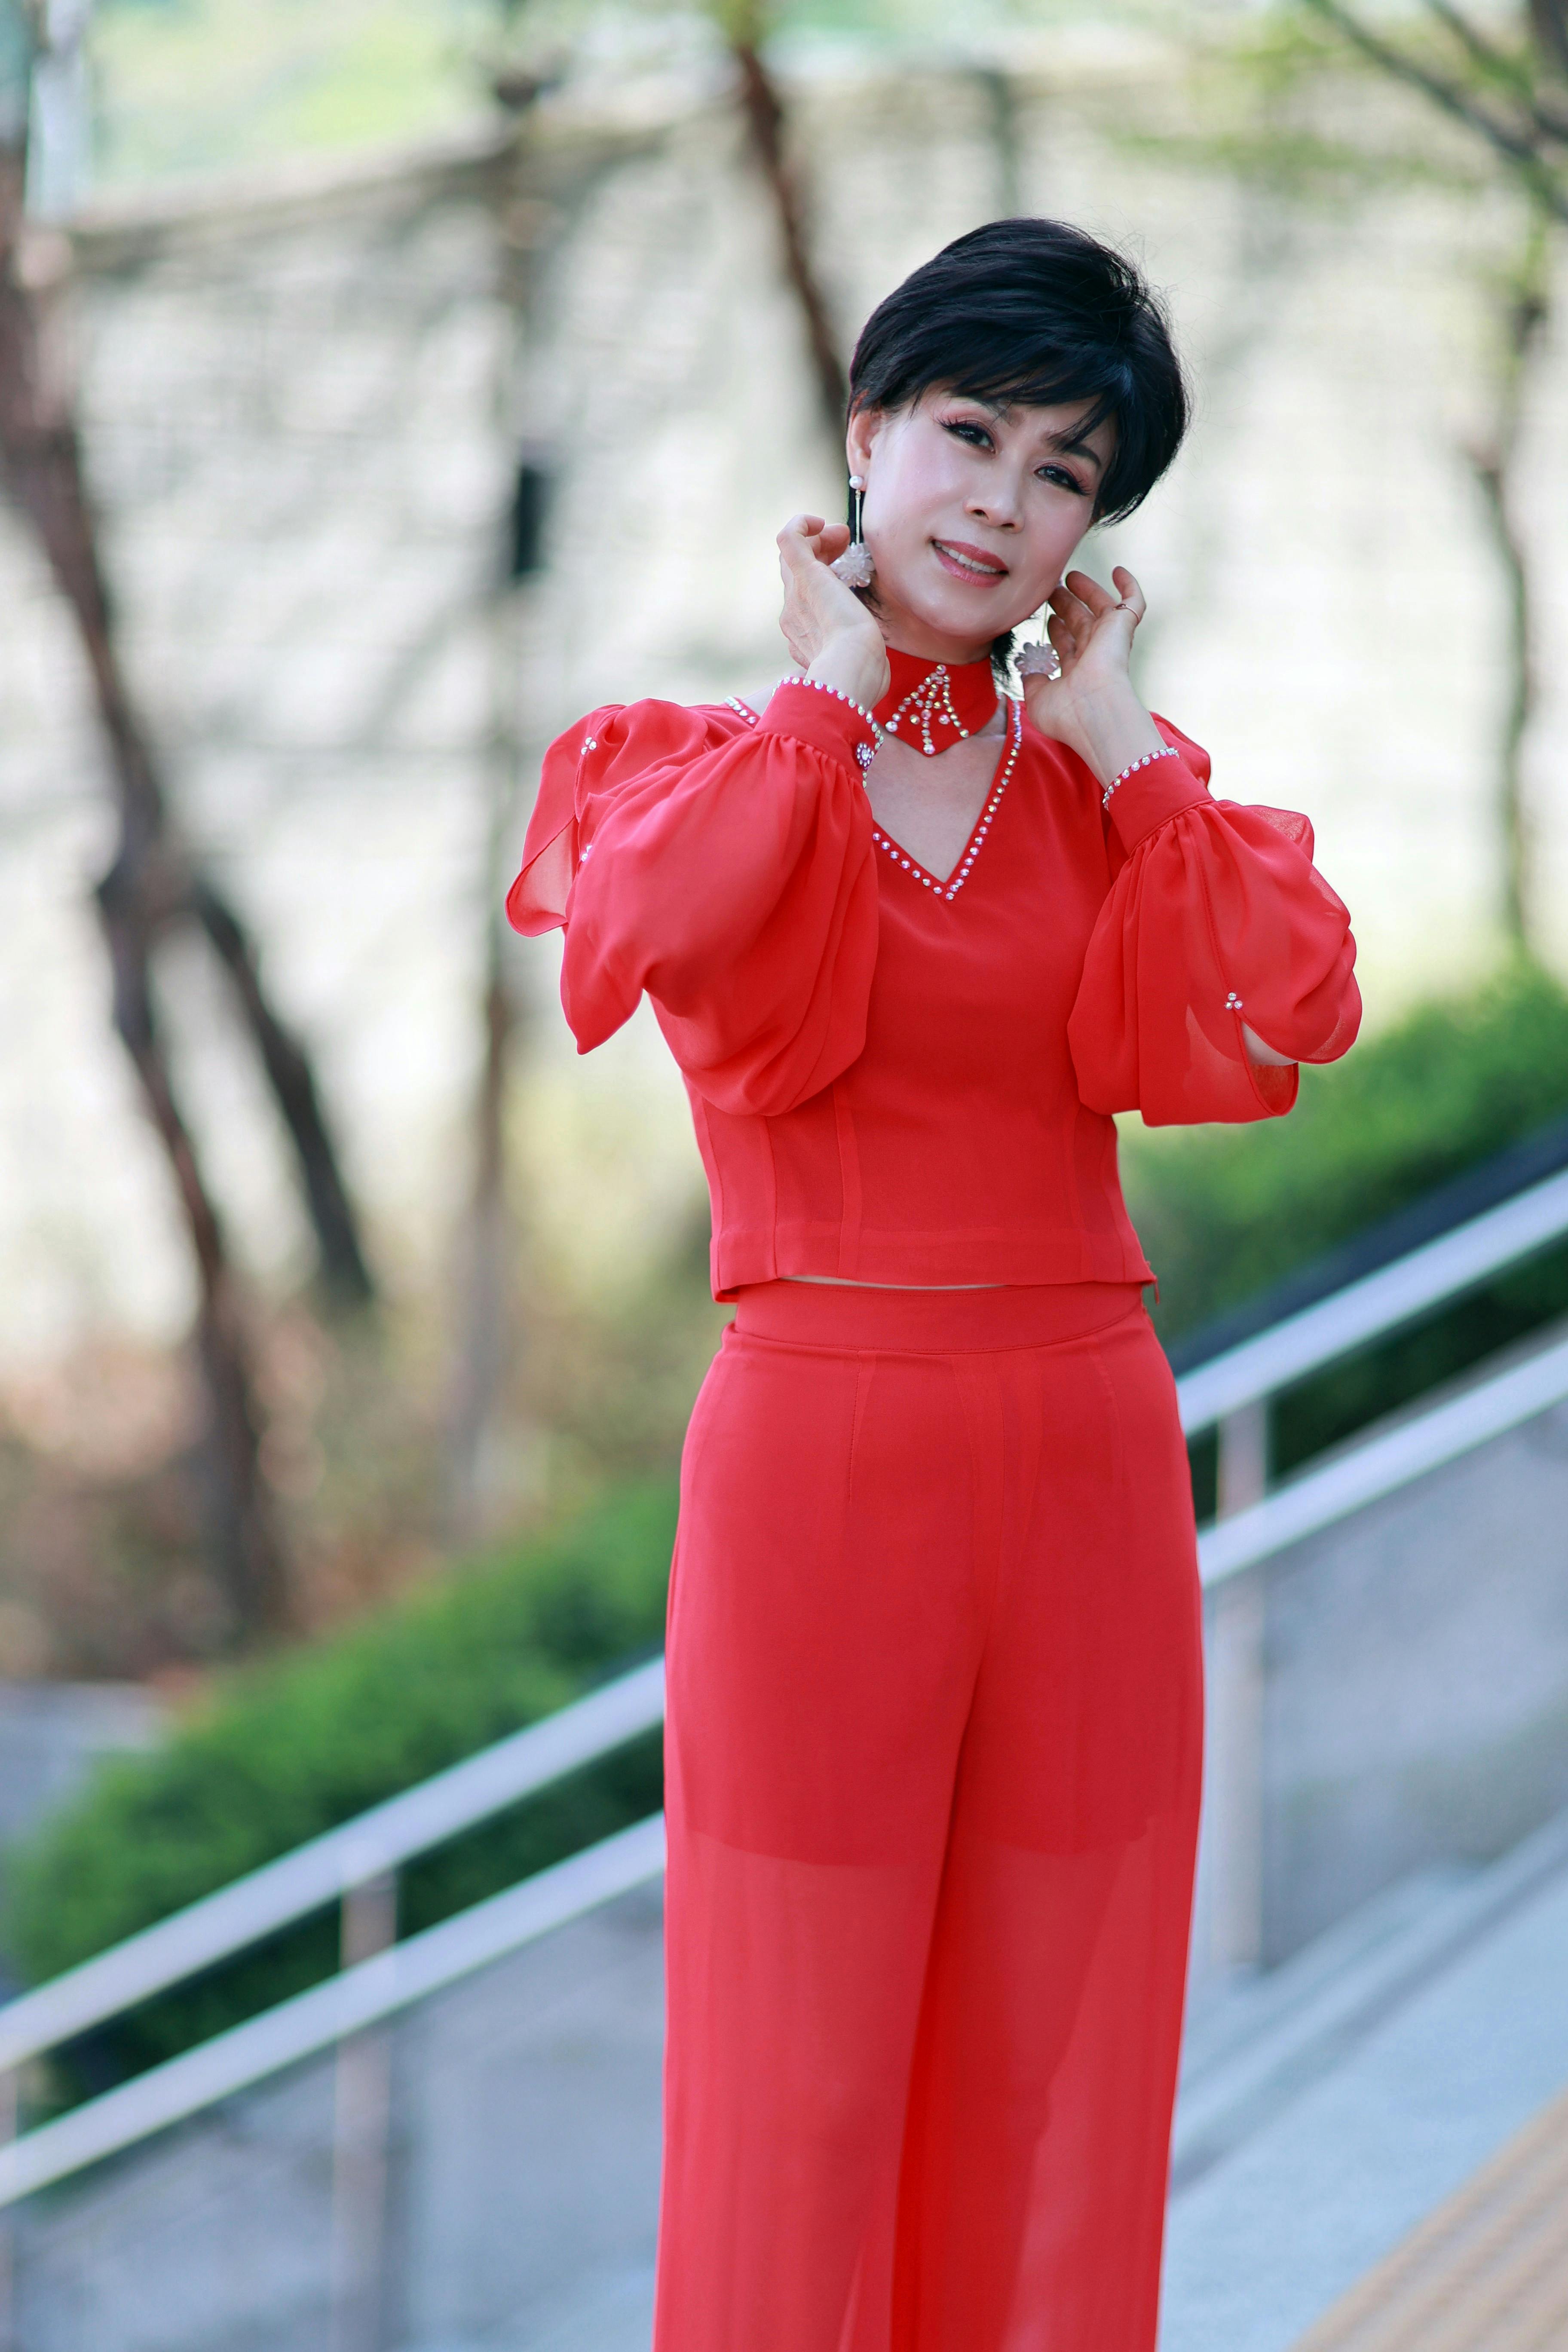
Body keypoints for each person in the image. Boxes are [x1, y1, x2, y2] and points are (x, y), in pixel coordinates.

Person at [508, 218, 1360, 2352]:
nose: (1004, 496)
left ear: (1098, 523)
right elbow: (656, 951)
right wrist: (815, 698)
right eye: (970, 432)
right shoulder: (694, 765)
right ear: (868, 438)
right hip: (818, 1457)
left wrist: (1126, 743)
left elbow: (1296, 1003)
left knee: (1061, 2061)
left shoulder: (1107, 805)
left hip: (1085, 1453)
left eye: (1067, 468)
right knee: (796, 2076)